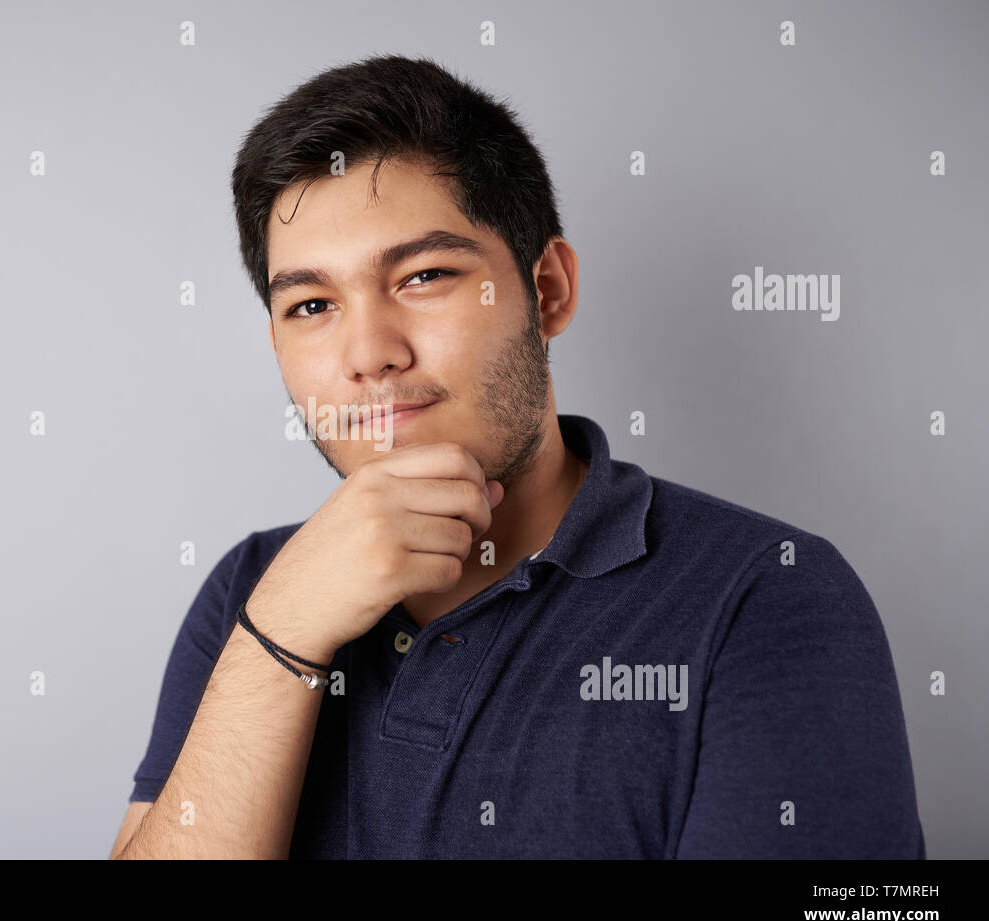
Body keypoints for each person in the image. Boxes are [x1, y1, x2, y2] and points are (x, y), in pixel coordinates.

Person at [109, 53, 924, 859]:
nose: (369, 352)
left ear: (550, 291)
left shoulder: (766, 595)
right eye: (312, 303)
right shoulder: (249, 595)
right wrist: (282, 628)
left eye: (424, 274)